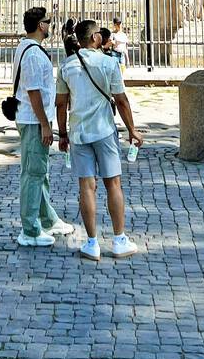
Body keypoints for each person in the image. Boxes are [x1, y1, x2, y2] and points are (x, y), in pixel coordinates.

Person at [56, 19, 143, 261]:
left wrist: (62, 134)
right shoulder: (108, 63)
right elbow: (122, 100)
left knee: (86, 186)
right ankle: (119, 239)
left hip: (79, 132)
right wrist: (132, 130)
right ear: (95, 38)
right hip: (104, 131)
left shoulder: (67, 66)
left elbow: (61, 104)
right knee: (113, 184)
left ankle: (92, 242)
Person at [12, 7, 74, 248]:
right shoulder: (35, 55)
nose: (50, 25)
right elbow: (34, 92)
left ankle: (48, 218)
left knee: (40, 171)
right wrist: (46, 126)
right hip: (33, 119)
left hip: (29, 116)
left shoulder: (24, 47)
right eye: (48, 22)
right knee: (33, 174)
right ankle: (30, 229)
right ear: (41, 25)